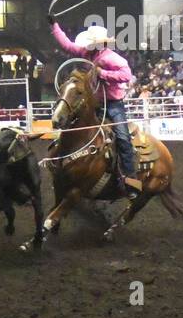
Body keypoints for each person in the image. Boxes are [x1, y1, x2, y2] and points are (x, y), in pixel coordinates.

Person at [49, 17, 143, 199]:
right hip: (95, 104)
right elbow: (67, 45)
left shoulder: (110, 57)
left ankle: (130, 180)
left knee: (123, 138)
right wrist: (54, 26)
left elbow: (126, 75)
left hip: (113, 105)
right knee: (72, 126)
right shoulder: (87, 53)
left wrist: (103, 74)